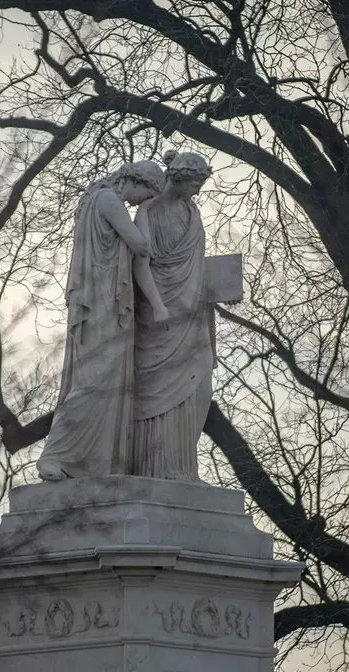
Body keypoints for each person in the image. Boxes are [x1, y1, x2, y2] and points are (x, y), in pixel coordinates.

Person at [36, 161, 167, 481]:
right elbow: (140, 245)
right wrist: (147, 213)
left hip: (105, 300)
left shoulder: (98, 199)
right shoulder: (108, 200)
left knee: (107, 381)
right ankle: (56, 454)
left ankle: (93, 460)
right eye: (146, 194)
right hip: (100, 302)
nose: (141, 201)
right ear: (136, 181)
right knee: (94, 379)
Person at [131, 150, 214, 481]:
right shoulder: (147, 211)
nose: (197, 192)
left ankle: (183, 467)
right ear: (178, 178)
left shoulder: (192, 212)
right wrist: (158, 304)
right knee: (158, 390)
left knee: (201, 382)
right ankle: (159, 468)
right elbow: (141, 262)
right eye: (194, 184)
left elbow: (196, 264)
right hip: (159, 314)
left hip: (191, 311)